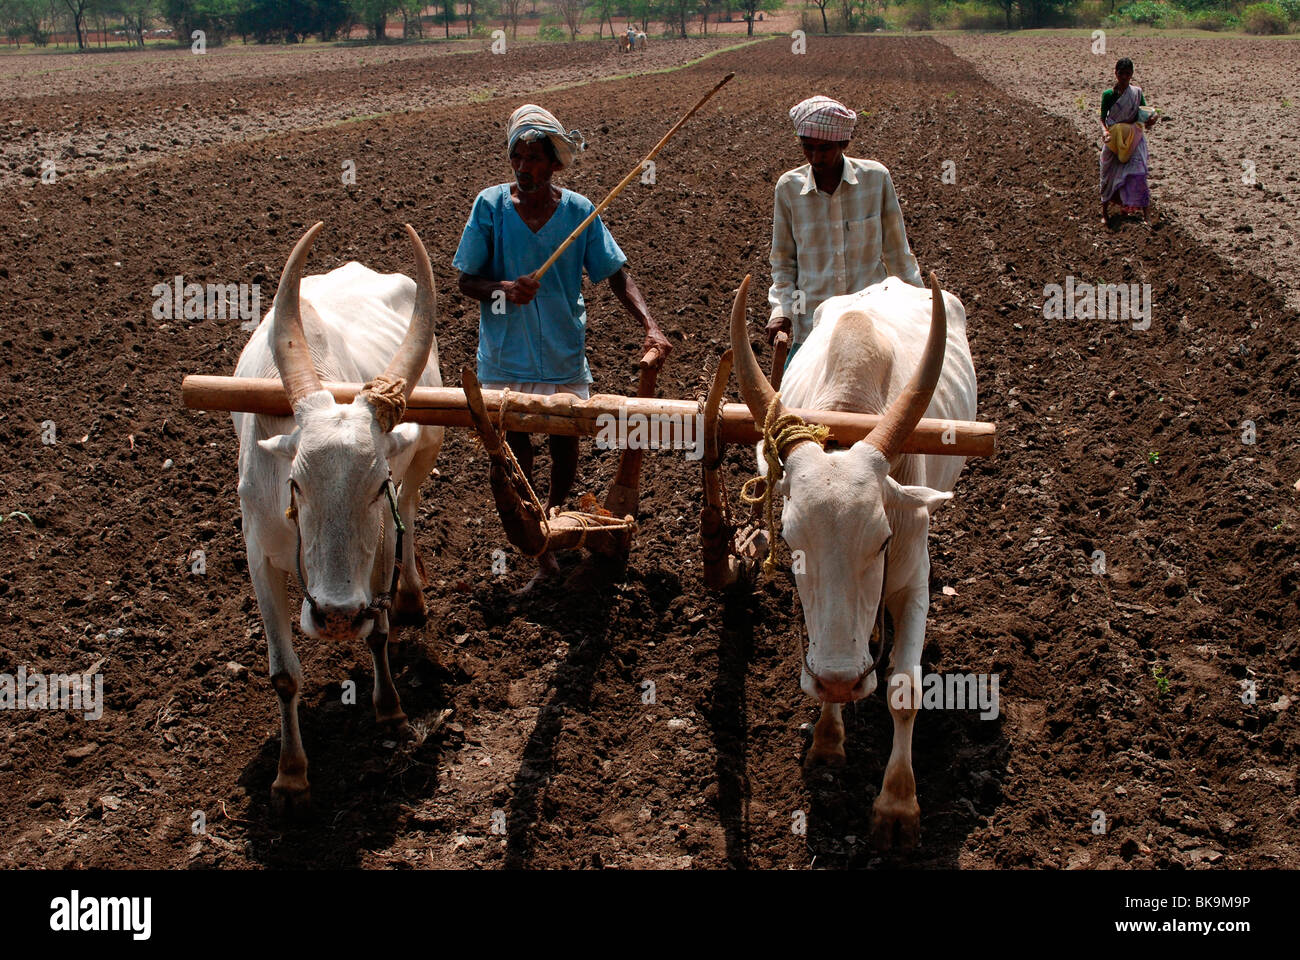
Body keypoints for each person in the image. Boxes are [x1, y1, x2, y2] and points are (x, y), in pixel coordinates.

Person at [453, 104, 670, 586]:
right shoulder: (489, 206)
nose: (524, 167)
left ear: (554, 163)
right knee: (514, 449)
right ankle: (538, 545)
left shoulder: (577, 211)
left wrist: (651, 325)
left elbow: (615, 275)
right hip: (505, 355)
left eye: (535, 158)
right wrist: (504, 289)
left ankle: (551, 517)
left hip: (562, 352)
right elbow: (468, 280)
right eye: (518, 157)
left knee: (565, 440)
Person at [767, 95, 924, 364]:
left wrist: (923, 308)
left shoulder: (876, 179)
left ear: (843, 143)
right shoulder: (788, 188)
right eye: (808, 147)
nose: (815, 157)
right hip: (812, 330)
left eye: (824, 148)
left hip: (872, 324)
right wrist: (782, 311)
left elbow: (899, 256)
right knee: (793, 402)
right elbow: (784, 261)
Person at [1099, 57, 1158, 225]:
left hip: (1133, 137)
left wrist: (1153, 117)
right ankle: (1105, 212)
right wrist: (1105, 131)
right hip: (1114, 138)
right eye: (1121, 73)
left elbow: (1146, 112)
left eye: (1127, 73)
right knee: (1107, 173)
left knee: (1138, 173)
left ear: (1131, 74)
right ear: (1115, 74)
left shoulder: (1136, 93)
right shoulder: (1109, 95)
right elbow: (1103, 118)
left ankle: (1146, 215)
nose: (1124, 77)